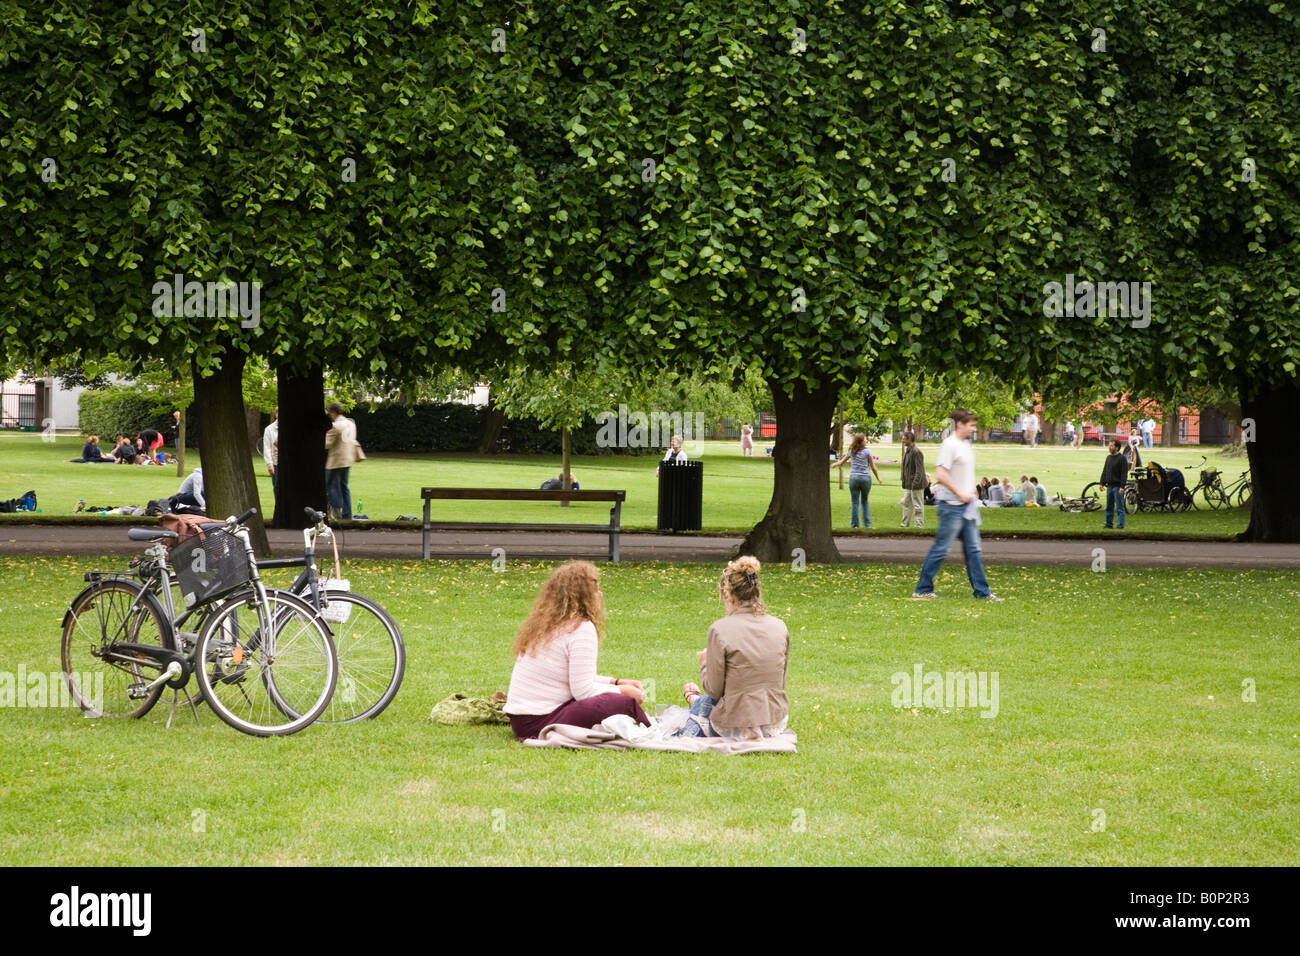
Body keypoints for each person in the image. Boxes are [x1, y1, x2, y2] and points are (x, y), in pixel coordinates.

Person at [503, 561, 650, 740]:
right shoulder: (581, 628)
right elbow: (583, 691)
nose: (600, 594)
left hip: (521, 722)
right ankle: (655, 732)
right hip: (541, 722)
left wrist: (615, 682)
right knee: (626, 704)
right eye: (595, 590)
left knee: (614, 698)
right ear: (583, 596)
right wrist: (624, 692)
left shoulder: (547, 625)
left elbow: (573, 677)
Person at [677, 556, 789, 739]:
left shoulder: (720, 629)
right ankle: (695, 700)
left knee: (705, 703)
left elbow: (714, 690)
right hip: (774, 721)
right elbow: (779, 682)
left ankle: (694, 701)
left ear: (727, 594)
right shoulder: (780, 626)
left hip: (735, 725)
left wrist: (705, 664)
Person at [911, 408, 1001, 601]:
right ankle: (922, 588)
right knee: (942, 548)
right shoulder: (949, 444)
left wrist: (971, 490)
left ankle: (982, 592)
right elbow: (940, 474)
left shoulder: (966, 445)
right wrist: (959, 492)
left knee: (973, 550)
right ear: (960, 424)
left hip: (966, 507)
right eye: (971, 425)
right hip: (951, 506)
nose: (974, 429)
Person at [832, 433, 882, 529]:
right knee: (865, 501)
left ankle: (854, 525)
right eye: (865, 440)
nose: (866, 441)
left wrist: (835, 464)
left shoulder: (851, 451)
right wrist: (878, 477)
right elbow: (873, 467)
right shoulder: (867, 452)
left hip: (854, 478)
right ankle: (867, 525)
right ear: (860, 442)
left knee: (855, 502)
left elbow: (841, 462)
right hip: (865, 479)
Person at [325, 402, 361, 520]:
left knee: (330, 486)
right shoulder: (351, 424)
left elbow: (327, 444)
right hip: (348, 459)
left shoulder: (335, 426)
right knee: (344, 487)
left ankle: (337, 512)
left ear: (333, 412)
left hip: (336, 460)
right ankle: (347, 515)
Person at [1101, 438, 1129, 530]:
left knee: (1119, 507)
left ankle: (1120, 525)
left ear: (1117, 448)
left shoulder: (1122, 459)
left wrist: (1122, 486)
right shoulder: (1108, 458)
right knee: (1109, 506)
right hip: (1109, 486)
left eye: (1112, 446)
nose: (1109, 447)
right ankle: (1108, 524)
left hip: (1118, 487)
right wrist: (1102, 483)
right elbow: (1105, 471)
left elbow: (1124, 474)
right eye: (1109, 445)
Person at [900, 430, 925, 528]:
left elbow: (919, 470)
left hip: (916, 484)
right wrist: (904, 481)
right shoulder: (908, 451)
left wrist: (915, 484)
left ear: (910, 439)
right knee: (906, 504)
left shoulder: (916, 452)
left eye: (904, 439)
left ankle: (919, 526)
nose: (902, 440)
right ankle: (904, 525)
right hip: (908, 484)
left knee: (918, 506)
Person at [262, 407, 279, 498]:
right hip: (275, 463)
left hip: (288, 464)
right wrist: (269, 464)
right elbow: (267, 448)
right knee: (276, 488)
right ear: (276, 415)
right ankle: (278, 509)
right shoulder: (269, 429)